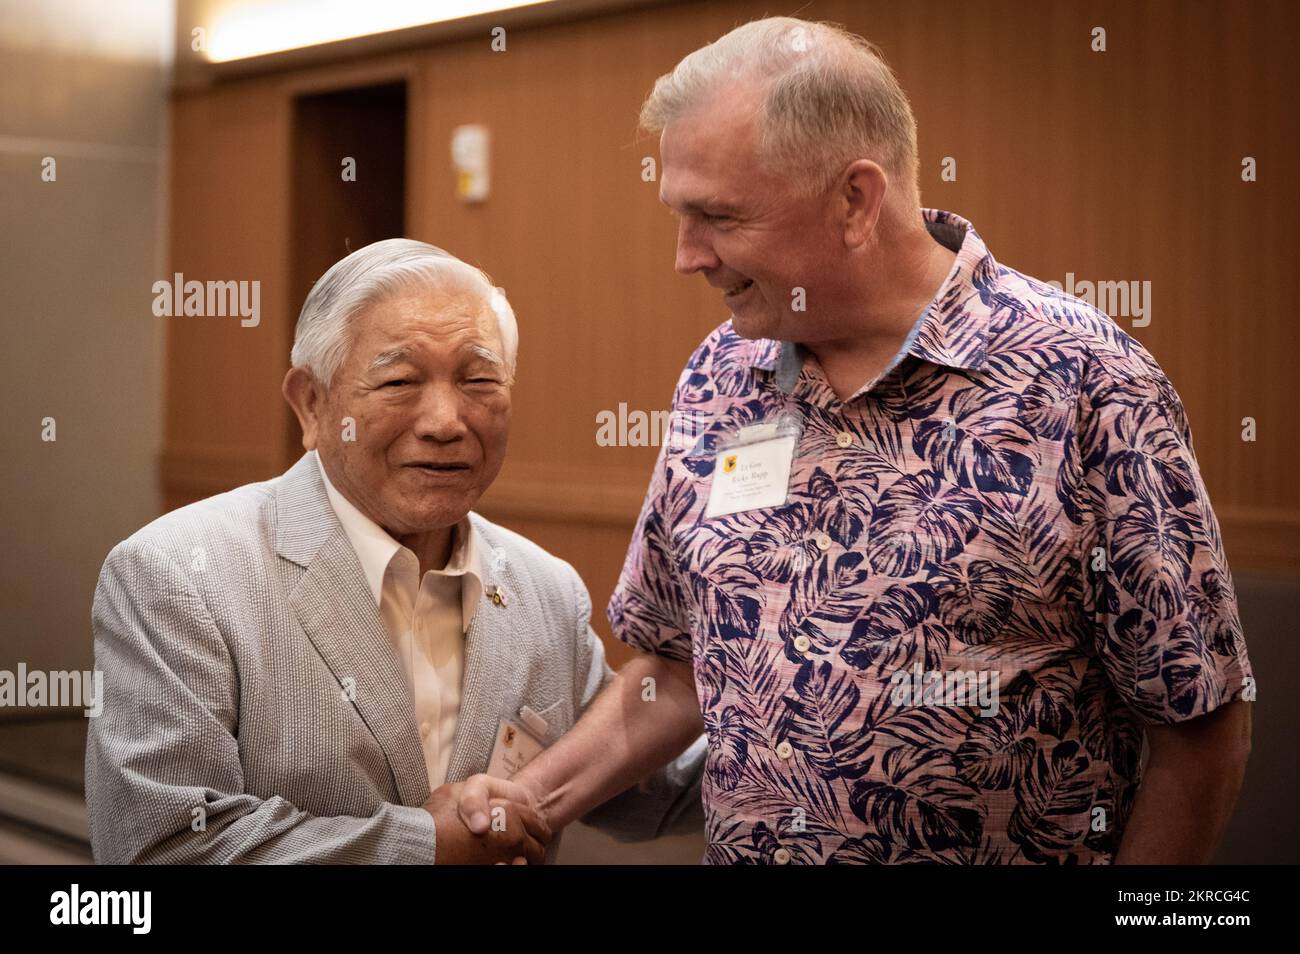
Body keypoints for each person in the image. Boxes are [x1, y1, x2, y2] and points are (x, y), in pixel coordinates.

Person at [458, 17, 1254, 864]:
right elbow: (678, 663)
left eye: (718, 216)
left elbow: (1198, 725)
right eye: (678, 214)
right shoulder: (721, 374)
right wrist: (527, 798)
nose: (686, 257)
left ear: (855, 200)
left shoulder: (1085, 381)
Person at [85, 239, 703, 864]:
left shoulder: (546, 588)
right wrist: (423, 847)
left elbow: (639, 785)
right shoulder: (178, 575)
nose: (444, 421)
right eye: (399, 381)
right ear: (312, 404)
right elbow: (162, 848)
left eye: (479, 380)